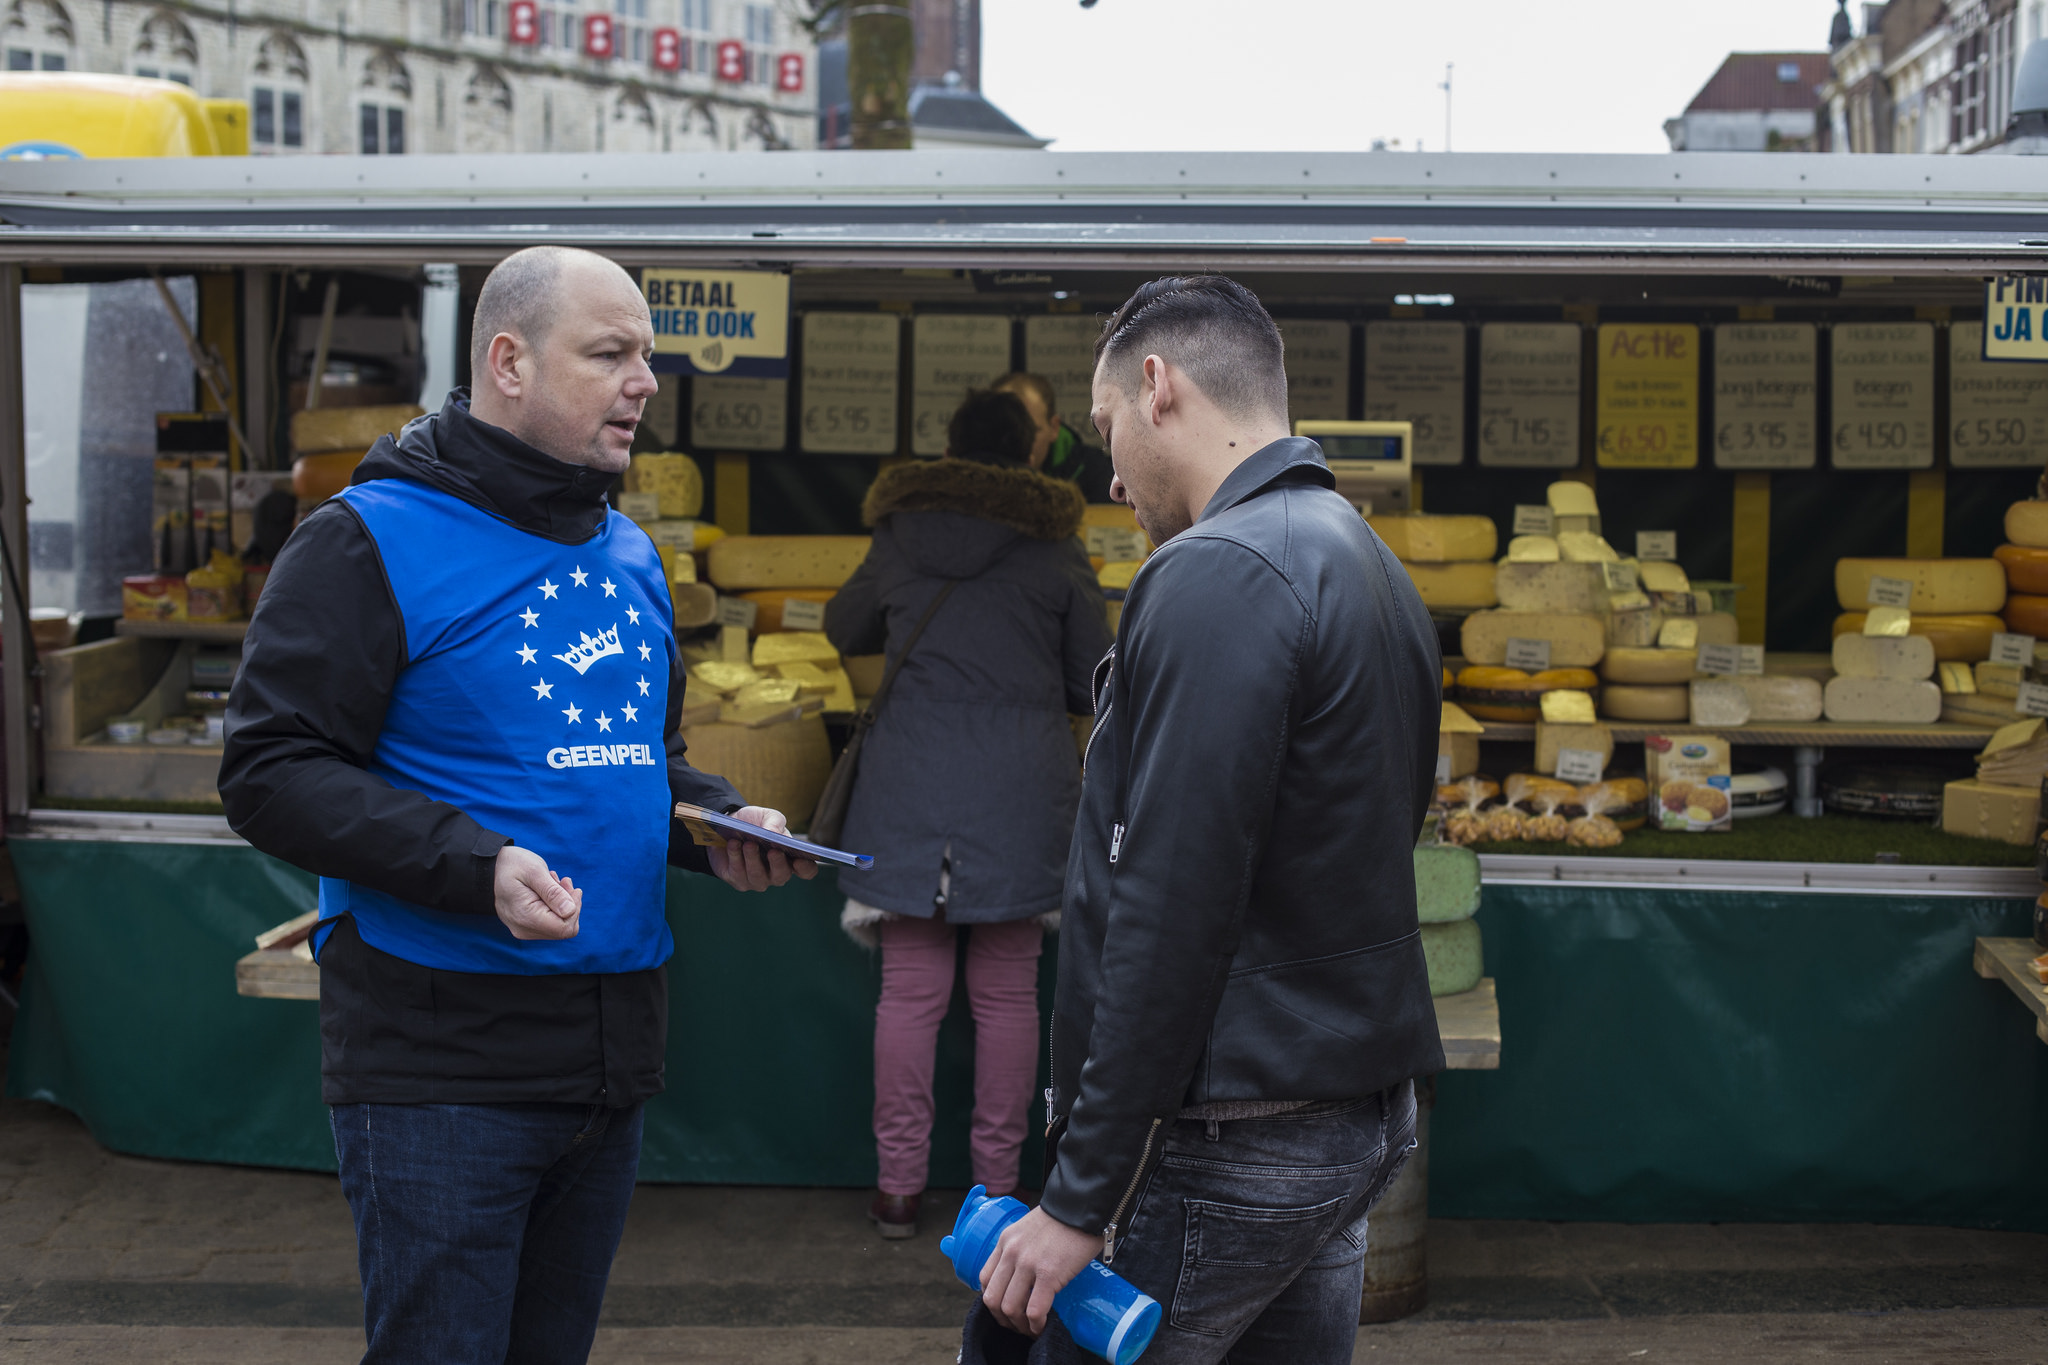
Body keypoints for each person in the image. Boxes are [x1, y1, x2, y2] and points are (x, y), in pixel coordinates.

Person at [219, 245, 815, 1365]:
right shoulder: (365, 538)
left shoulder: (628, 550)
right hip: (439, 1069)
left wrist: (718, 819)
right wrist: (472, 860)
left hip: (610, 1058)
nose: (644, 380)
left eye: (647, 355)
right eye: (609, 354)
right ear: (507, 361)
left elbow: (629, 754)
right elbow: (268, 769)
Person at [975, 276, 1444, 1364]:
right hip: (1352, 1109)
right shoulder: (1367, 560)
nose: (1107, 471)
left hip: (1229, 1132)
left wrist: (1079, 1197)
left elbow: (1169, 905)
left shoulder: (1213, 571)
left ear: (1157, 387)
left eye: (1103, 431)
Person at [825, 388, 1112, 1240]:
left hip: (909, 780)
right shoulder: (1053, 543)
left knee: (909, 995)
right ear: (1030, 453)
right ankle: (994, 1192)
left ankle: (899, 1188)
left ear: (946, 450)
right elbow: (1093, 671)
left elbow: (843, 625)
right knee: (1007, 996)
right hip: (1021, 787)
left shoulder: (899, 533)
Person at [994, 371, 1117, 504]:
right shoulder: (971, 472)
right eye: (1004, 431)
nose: (1017, 442)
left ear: (1053, 428)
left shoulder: (1095, 472)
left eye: (1030, 431)